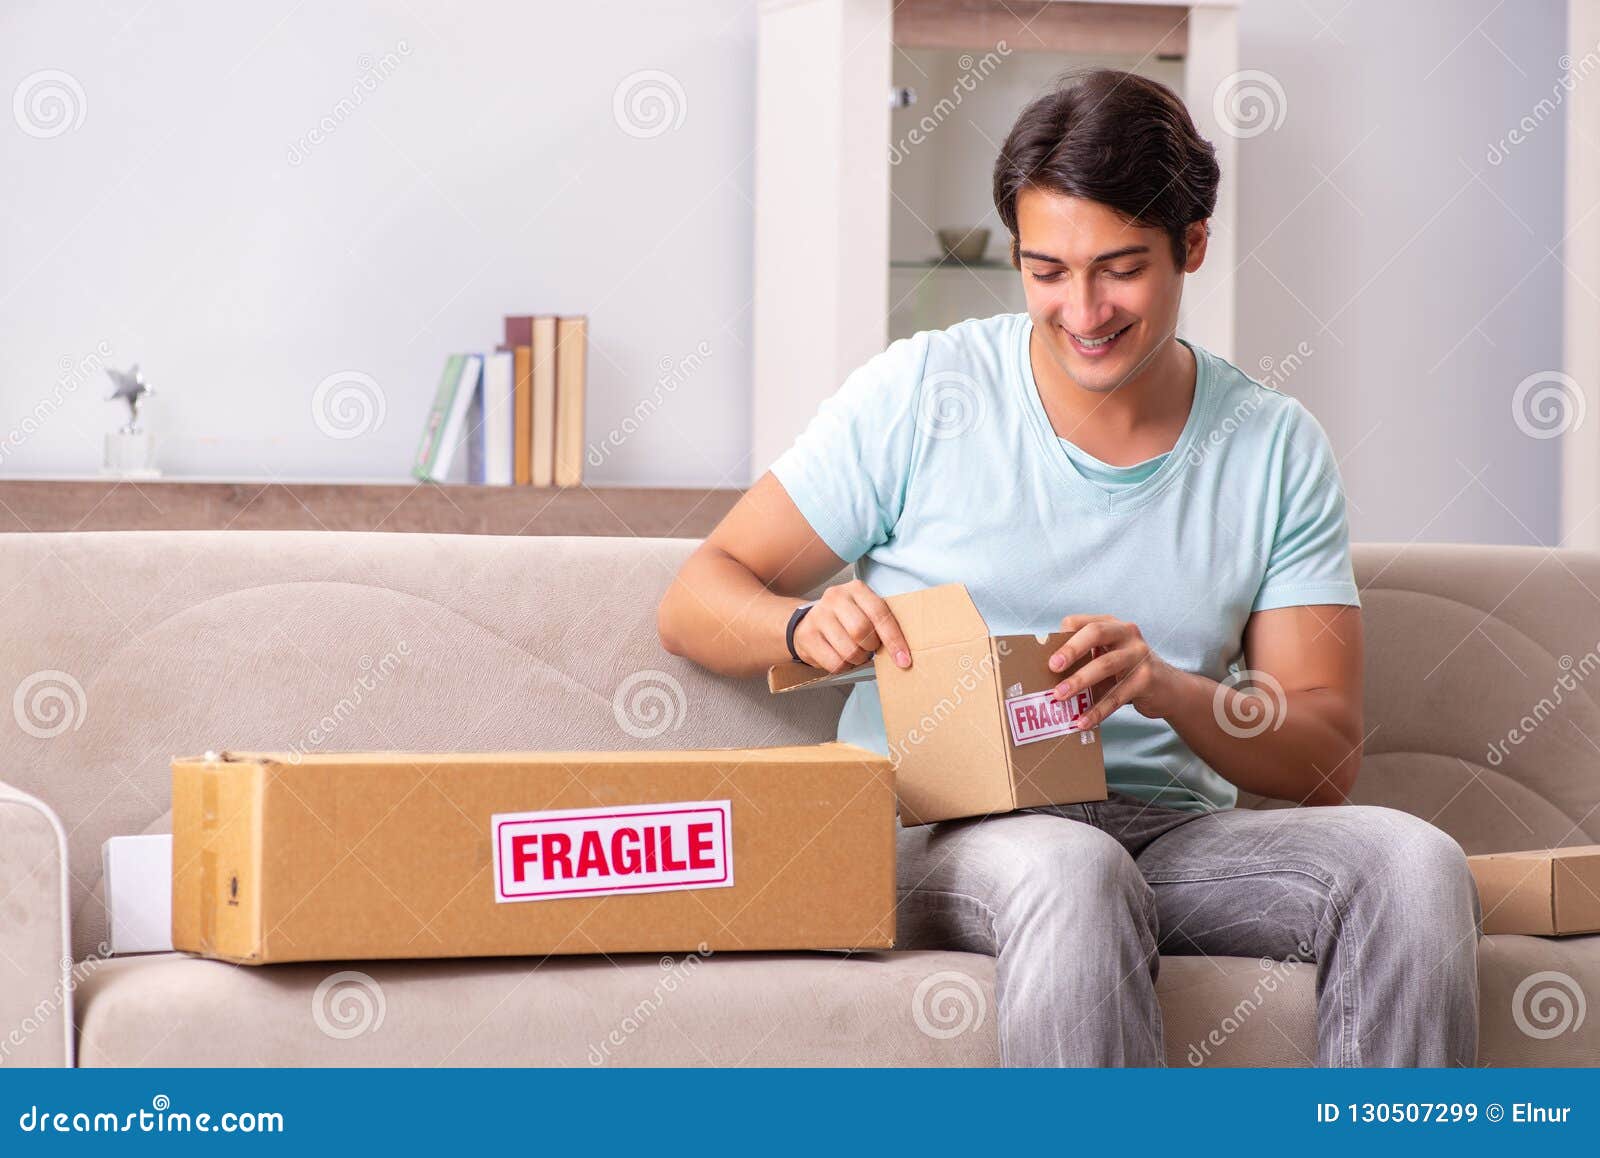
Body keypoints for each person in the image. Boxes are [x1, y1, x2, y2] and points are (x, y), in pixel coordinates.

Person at [657, 69, 1480, 1066]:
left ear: (1192, 247)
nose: (1080, 308)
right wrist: (798, 626)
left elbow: (1321, 758)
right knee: (1074, 871)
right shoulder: (925, 391)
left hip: (1169, 835)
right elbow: (701, 592)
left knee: (1413, 863)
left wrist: (1170, 692)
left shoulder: (1271, 447)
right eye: (1045, 270)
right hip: (945, 826)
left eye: (1119, 268)